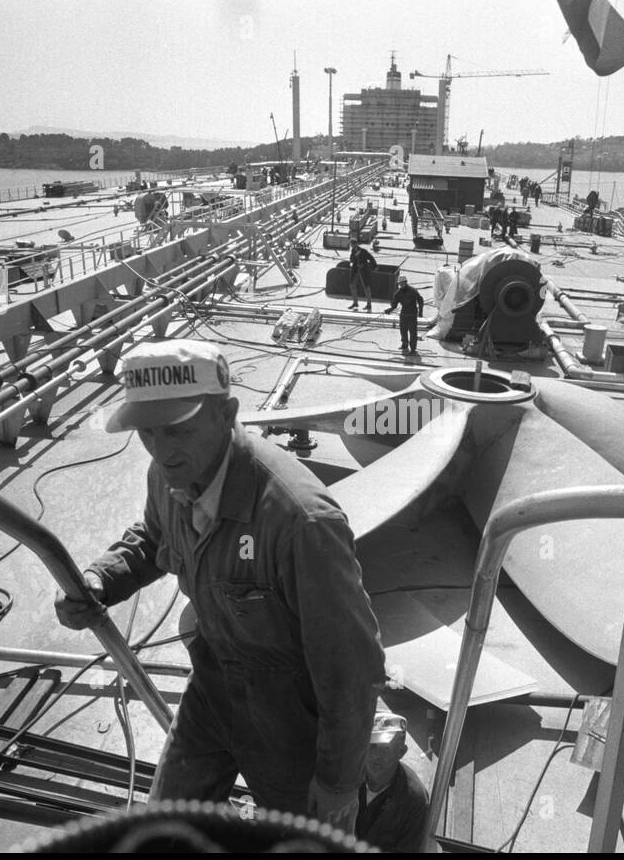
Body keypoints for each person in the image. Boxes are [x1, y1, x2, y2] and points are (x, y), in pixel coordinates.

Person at [55, 339, 386, 832]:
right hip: (213, 686)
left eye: (177, 430)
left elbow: (349, 667)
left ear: (227, 412)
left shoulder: (300, 521)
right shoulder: (168, 473)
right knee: (160, 828)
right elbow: (153, 536)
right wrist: (101, 578)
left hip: (289, 719)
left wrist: (338, 779)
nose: (161, 449)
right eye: (147, 432)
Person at [355, 712, 429, 853]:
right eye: (372, 745)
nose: (376, 755)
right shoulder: (348, 776)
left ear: (401, 752)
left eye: (385, 748)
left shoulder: (415, 799)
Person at [384, 275, 424, 356]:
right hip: (404, 313)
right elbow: (394, 304)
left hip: (412, 313)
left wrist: (420, 312)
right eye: (400, 283)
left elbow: (420, 300)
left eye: (402, 283)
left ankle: (413, 349)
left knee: (413, 332)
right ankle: (404, 344)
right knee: (403, 330)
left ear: (406, 282)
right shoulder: (398, 293)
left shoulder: (413, 291)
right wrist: (389, 310)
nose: (401, 285)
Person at [348, 238, 376, 311]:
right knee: (352, 285)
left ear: (356, 244)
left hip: (364, 270)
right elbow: (351, 259)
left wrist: (373, 266)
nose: (352, 246)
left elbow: (371, 258)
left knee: (366, 287)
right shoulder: (353, 251)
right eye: (351, 245)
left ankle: (369, 304)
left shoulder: (363, 251)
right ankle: (355, 302)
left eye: (352, 244)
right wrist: (355, 256)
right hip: (355, 270)